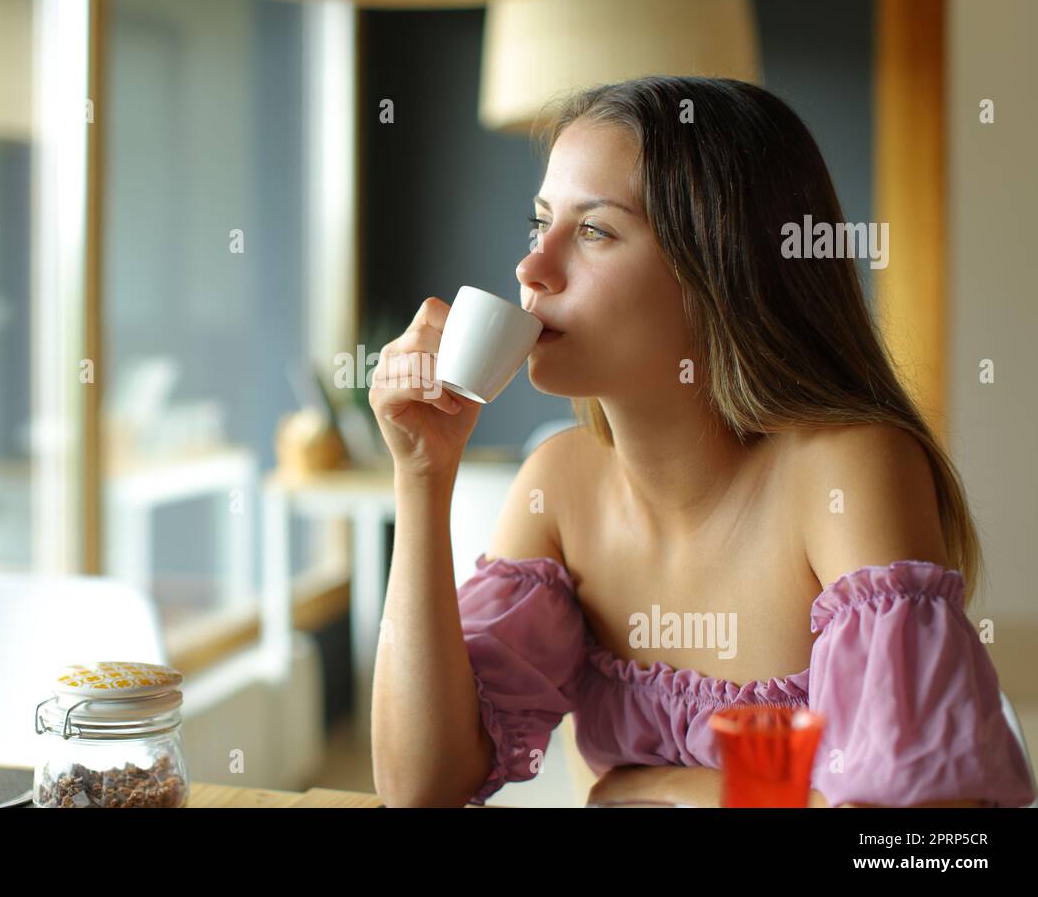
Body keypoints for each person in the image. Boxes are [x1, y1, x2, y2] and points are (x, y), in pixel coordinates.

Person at [367, 75, 1035, 808]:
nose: (532, 269)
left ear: (719, 269)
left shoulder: (845, 470)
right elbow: (419, 786)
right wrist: (423, 477)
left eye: (593, 231)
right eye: (540, 225)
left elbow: (925, 842)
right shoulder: (558, 483)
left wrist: (666, 786)